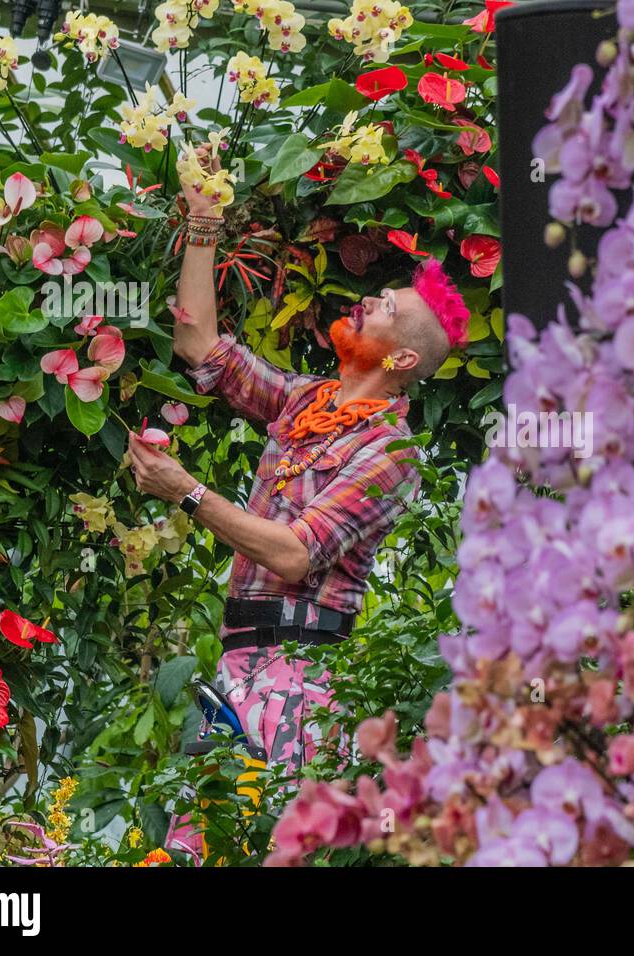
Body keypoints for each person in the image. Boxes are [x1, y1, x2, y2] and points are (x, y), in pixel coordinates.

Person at [128, 144, 469, 789]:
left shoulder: (392, 455)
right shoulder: (306, 398)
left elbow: (292, 555)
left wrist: (186, 491)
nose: (366, 303)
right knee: (198, 842)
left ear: (399, 362)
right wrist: (203, 221)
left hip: (300, 674)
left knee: (260, 840)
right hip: (240, 657)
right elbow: (197, 342)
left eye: (386, 308)